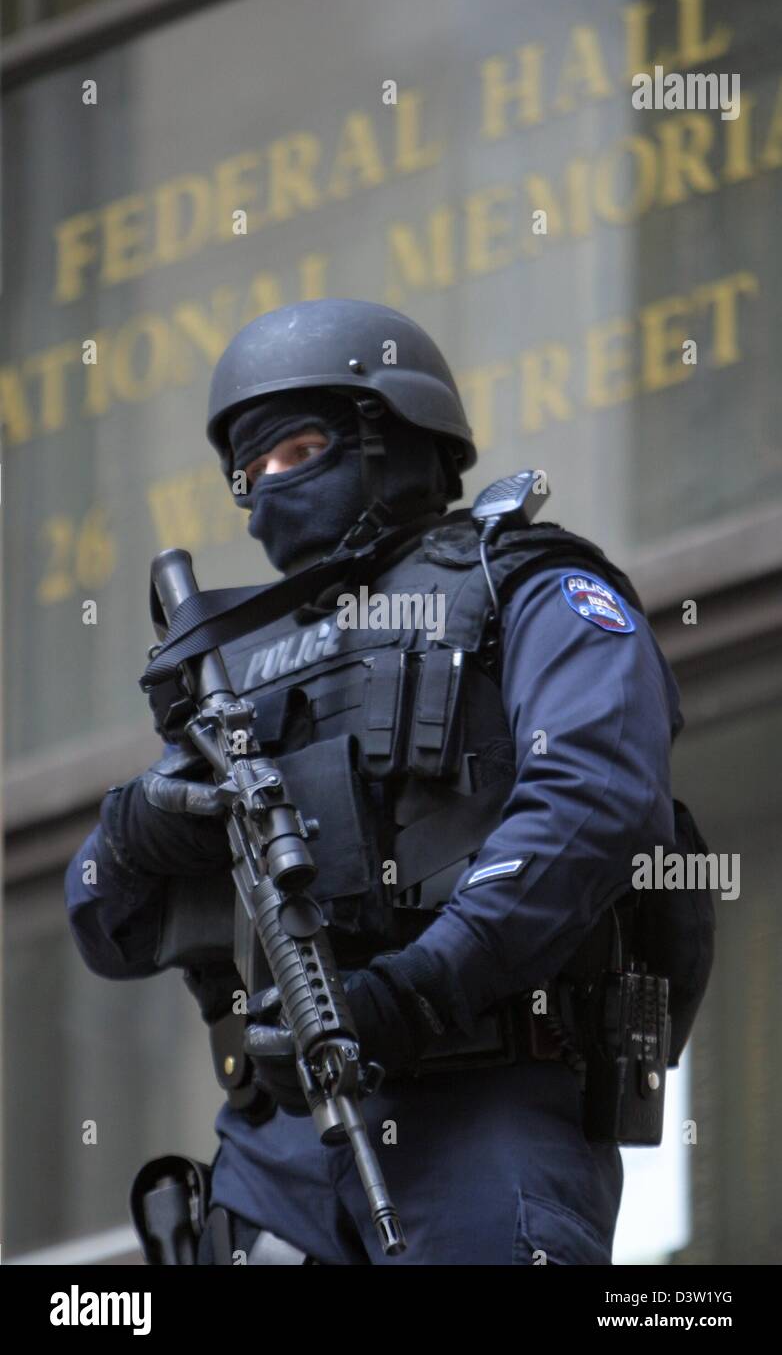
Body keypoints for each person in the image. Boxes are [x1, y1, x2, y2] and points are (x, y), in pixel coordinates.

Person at [64, 297, 702, 1267]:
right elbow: (104, 923)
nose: (270, 484)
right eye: (248, 471)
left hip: (489, 1102)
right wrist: (136, 826)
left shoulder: (527, 588)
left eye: (297, 447)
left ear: (391, 431)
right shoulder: (239, 669)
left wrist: (419, 987)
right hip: (278, 1153)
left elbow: (590, 804)